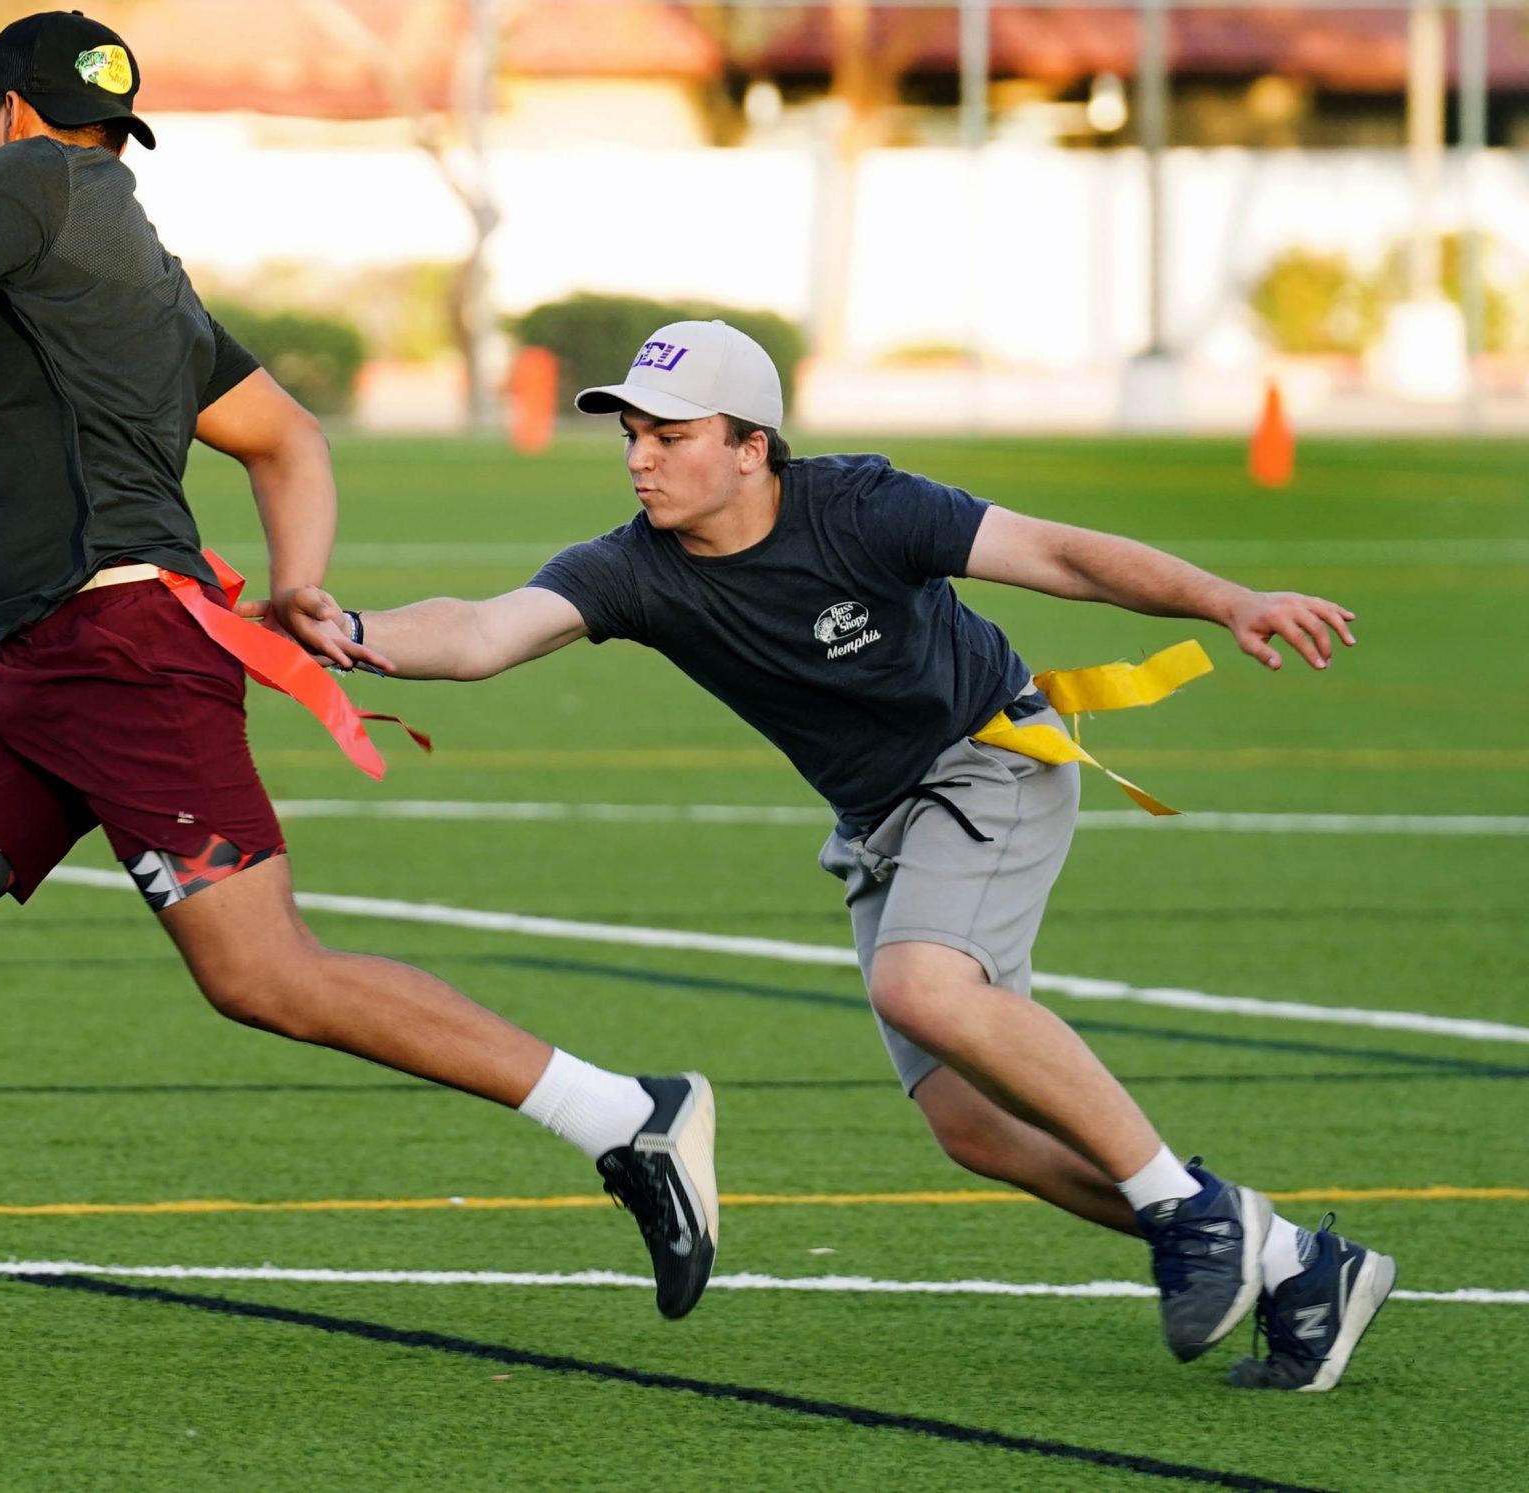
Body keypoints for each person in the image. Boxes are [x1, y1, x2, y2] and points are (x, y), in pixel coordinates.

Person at [0, 14, 717, 1415]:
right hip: (28, 668)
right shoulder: (133, 247)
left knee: (259, 973)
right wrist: (303, 580)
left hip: (127, 651)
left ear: (4, 116)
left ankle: (627, 1115)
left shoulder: (28, 185)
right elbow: (291, 436)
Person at [312, 318, 1395, 1394]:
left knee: (921, 984)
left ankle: (1193, 1211)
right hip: (881, 818)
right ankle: (1297, 1265)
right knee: (974, 1128)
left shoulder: (864, 507)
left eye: (670, 435)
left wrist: (1229, 599)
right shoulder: (630, 569)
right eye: (632, 434)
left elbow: (1056, 554)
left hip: (988, 759)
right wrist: (341, 625)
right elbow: (479, 632)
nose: (640, 458)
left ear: (751, 446)